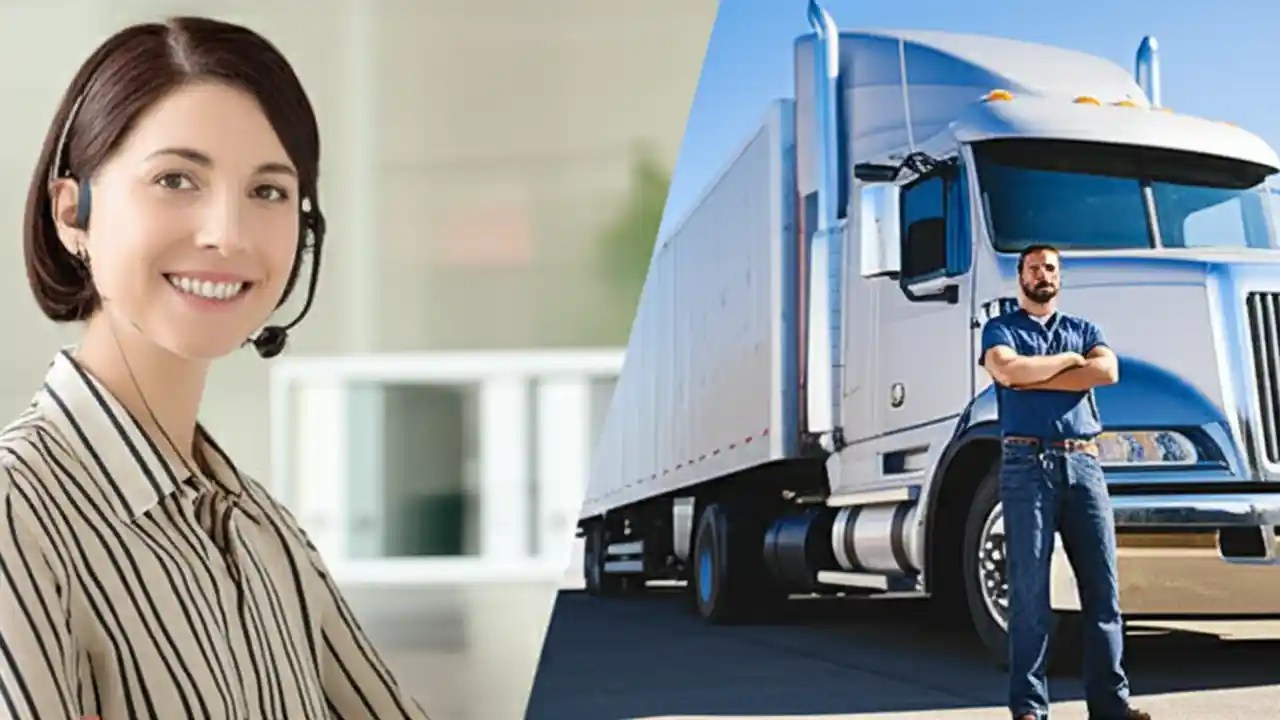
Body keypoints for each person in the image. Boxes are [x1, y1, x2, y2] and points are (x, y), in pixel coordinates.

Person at [0, 17, 432, 719]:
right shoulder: (18, 514)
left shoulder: (267, 533)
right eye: (176, 179)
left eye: (268, 192)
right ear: (71, 213)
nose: (227, 234)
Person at [978, 244, 1150, 720]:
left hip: (1085, 465)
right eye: (1034, 267)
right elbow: (1007, 370)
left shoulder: (1084, 329)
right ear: (1020, 277)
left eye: (1050, 267)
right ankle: (1030, 710)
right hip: (1025, 466)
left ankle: (1111, 707)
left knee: (1103, 593)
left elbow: (1108, 371)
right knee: (1029, 595)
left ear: (1060, 276)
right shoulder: (1002, 328)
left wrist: (1037, 375)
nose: (1043, 274)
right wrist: (1070, 364)